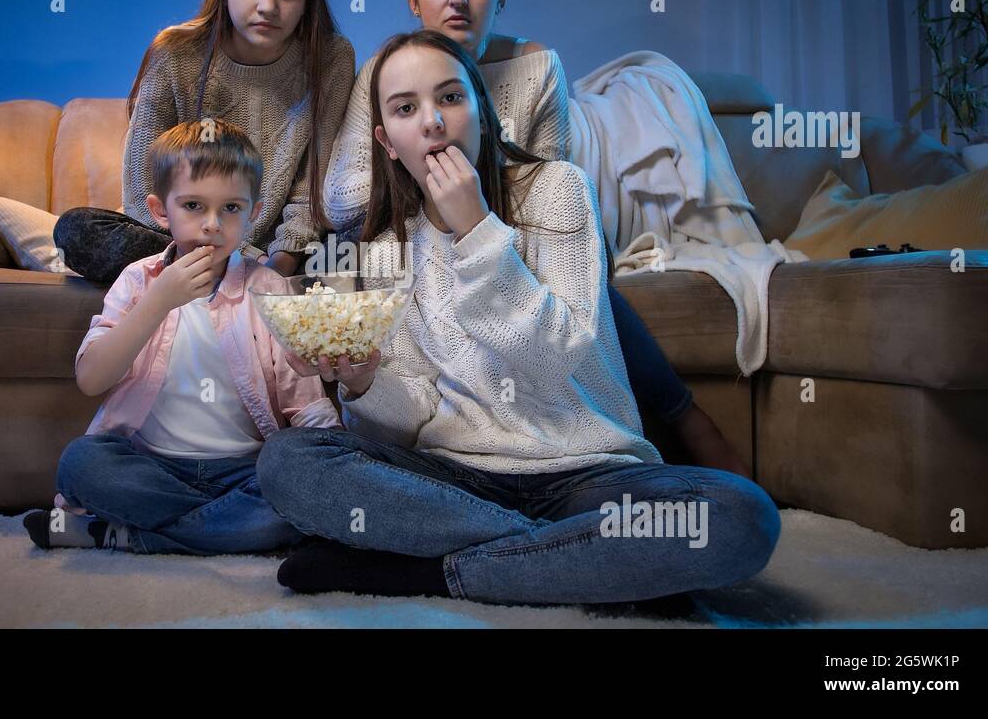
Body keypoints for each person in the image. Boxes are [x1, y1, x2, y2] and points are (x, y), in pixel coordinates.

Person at [256, 30, 780, 604]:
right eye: (406, 108)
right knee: (288, 462)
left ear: (483, 111)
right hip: (455, 483)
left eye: (451, 98)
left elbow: (561, 360)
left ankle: (426, 574)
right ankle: (567, 561)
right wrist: (363, 382)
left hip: (588, 475)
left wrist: (477, 231)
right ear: (386, 140)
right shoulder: (385, 251)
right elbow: (412, 422)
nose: (432, 121)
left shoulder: (559, 191)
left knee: (741, 517)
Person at [320, 0, 745, 476]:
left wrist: (478, 213)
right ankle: (523, 541)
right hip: (419, 231)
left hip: (523, 231)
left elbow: (546, 172)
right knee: (300, 462)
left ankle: (677, 423)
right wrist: (364, 381)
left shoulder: (539, 77)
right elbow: (344, 200)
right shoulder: (383, 73)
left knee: (735, 517)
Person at [24, 119, 340, 555]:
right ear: (160, 211)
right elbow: (91, 379)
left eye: (231, 208)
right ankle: (224, 529)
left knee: (301, 488)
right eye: (193, 205)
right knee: (81, 463)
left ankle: (126, 536)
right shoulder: (138, 280)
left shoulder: (267, 288)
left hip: (244, 470)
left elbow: (301, 400)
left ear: (253, 212)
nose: (212, 224)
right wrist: (160, 300)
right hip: (152, 466)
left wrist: (332, 464)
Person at [54, 0, 354, 284]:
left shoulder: (331, 58)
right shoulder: (176, 52)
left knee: (357, 249)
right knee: (77, 230)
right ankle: (228, 278)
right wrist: (241, 260)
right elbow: (143, 186)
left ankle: (230, 280)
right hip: (183, 239)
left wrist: (277, 267)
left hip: (281, 253)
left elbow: (314, 186)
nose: (268, 6)